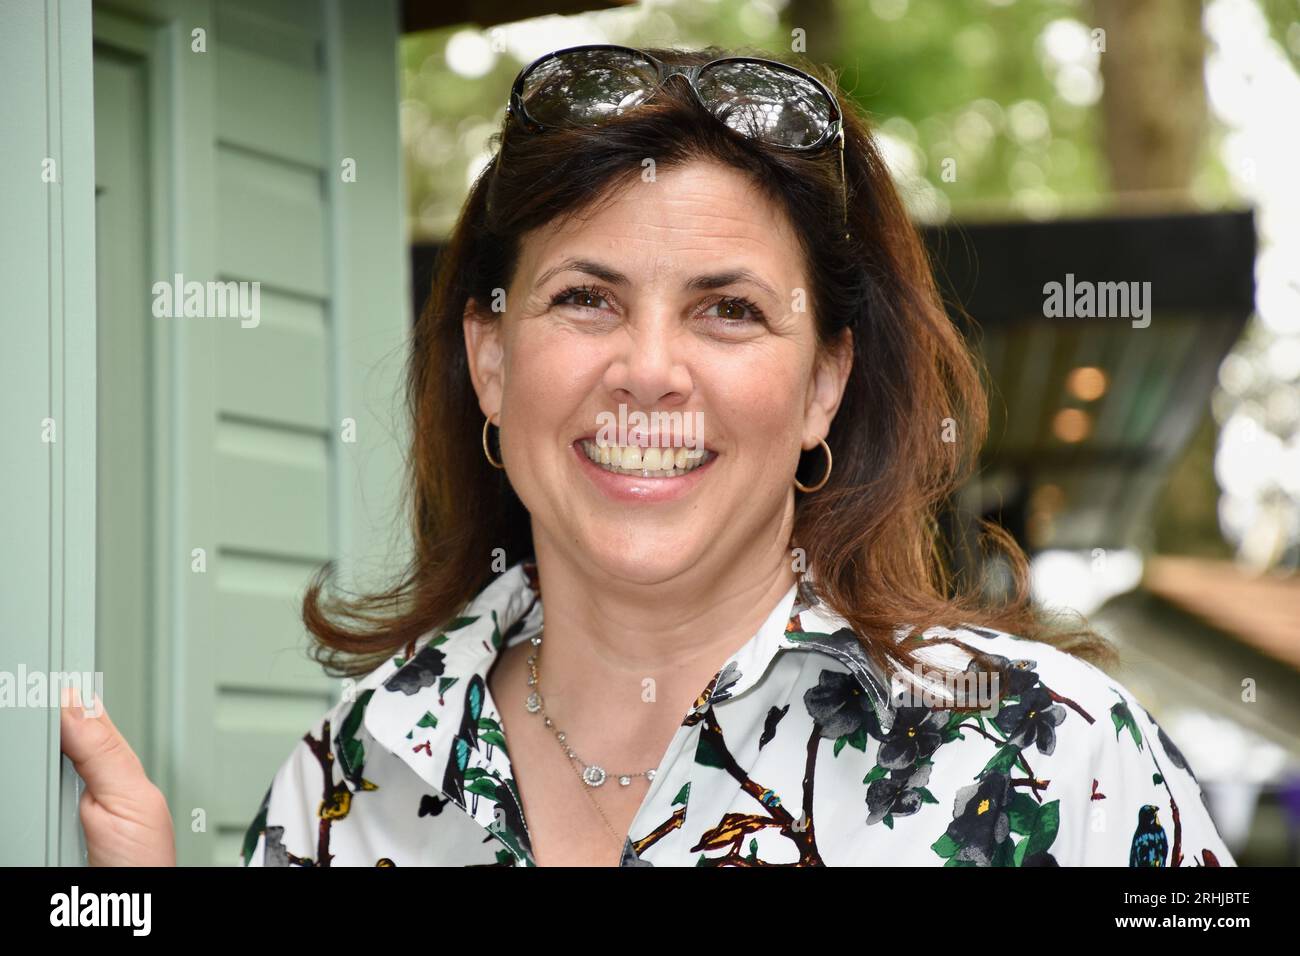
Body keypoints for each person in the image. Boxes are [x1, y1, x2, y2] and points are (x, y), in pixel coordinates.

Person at [61, 43, 1235, 867]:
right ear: (489, 357)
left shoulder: (1053, 752)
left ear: (825, 381)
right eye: (585, 298)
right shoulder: (353, 777)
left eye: (728, 309)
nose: (651, 370)